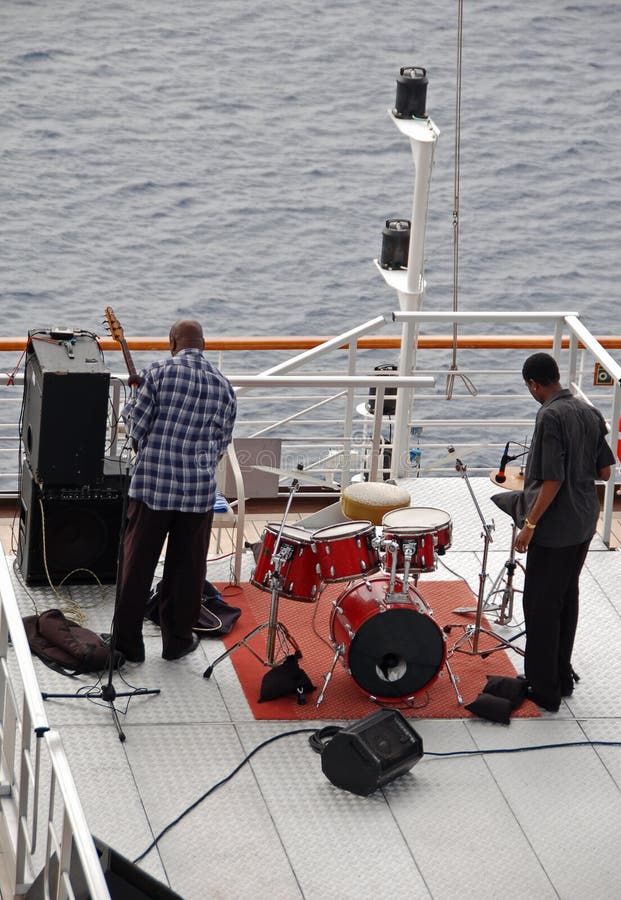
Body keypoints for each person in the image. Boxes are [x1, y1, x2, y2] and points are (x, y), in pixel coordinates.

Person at [114, 319, 237, 662]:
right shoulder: (224, 386)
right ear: (204, 345)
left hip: (153, 485)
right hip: (197, 493)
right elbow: (220, 444)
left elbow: (136, 425)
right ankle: (177, 640)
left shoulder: (157, 373)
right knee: (187, 570)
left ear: (173, 344)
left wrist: (136, 404)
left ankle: (128, 645)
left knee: (136, 566)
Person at [514, 352, 615, 711]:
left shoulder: (550, 415)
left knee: (540, 604)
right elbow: (604, 471)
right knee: (565, 597)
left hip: (555, 528)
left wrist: (528, 525)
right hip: (584, 521)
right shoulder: (588, 411)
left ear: (534, 384)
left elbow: (552, 480)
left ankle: (544, 689)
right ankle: (561, 673)